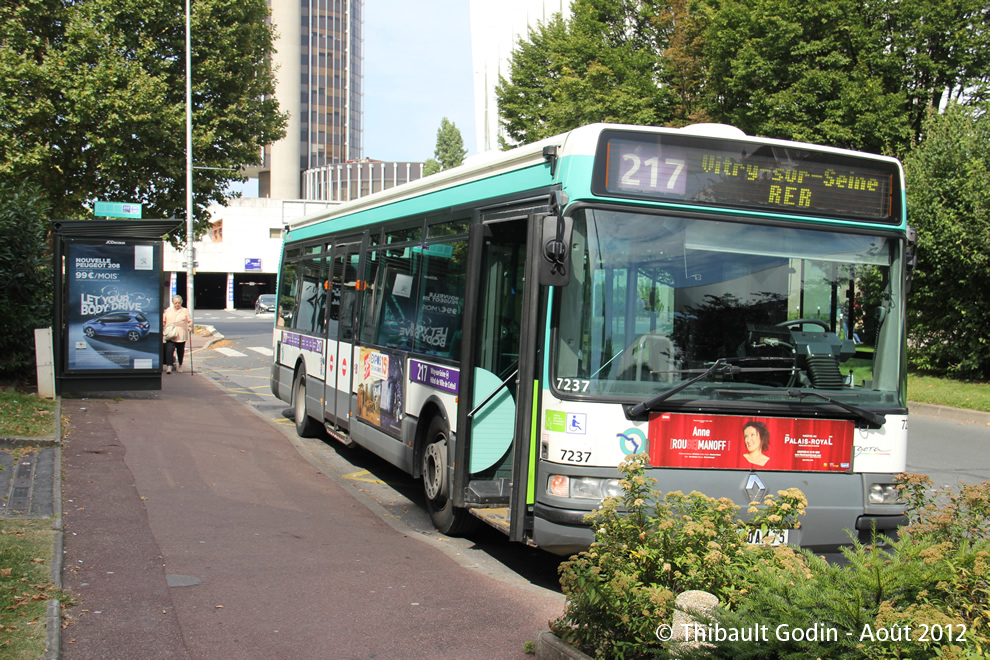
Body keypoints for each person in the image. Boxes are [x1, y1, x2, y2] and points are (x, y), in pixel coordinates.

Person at [163, 295, 193, 374]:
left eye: (179, 303)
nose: (177, 304)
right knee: (169, 350)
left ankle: (180, 365)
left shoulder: (184, 310)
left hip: (181, 333)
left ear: (181, 303)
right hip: (170, 333)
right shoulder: (168, 310)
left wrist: (189, 326)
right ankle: (169, 366)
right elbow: (164, 320)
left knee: (180, 350)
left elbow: (189, 321)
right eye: (176, 303)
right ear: (173, 302)